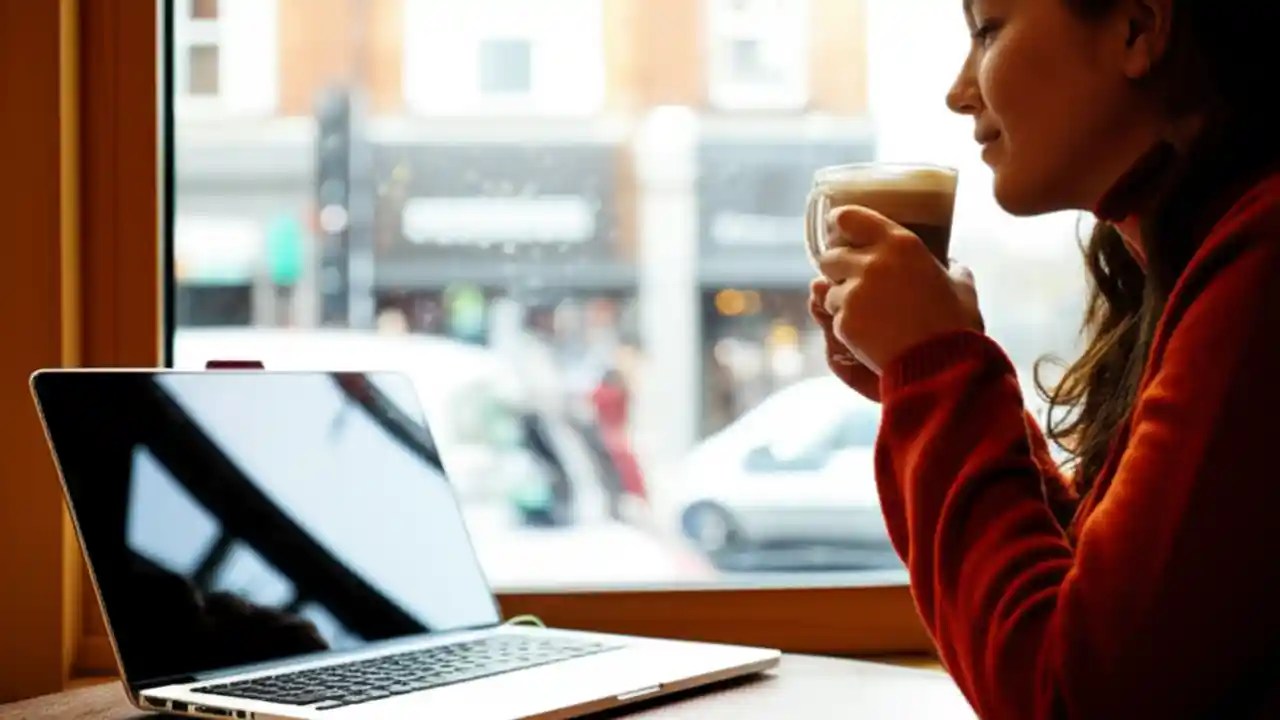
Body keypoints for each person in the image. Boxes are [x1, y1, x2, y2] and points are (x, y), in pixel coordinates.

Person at [809, 1, 1280, 718]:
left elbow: (1067, 694)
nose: (959, 90)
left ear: (1137, 28)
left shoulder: (1263, 266)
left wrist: (938, 373)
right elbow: (1115, 601)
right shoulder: (1209, 250)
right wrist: (926, 378)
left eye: (987, 29)